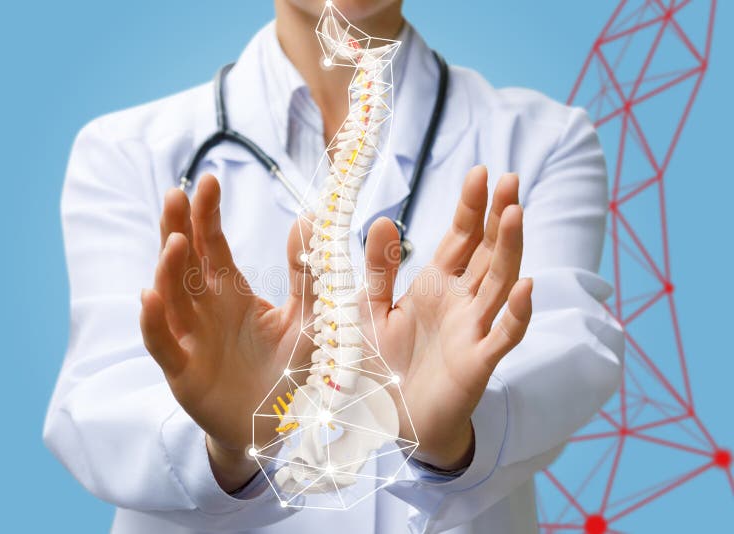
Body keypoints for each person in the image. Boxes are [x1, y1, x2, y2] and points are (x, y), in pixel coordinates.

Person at [43, 1, 624, 532]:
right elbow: (96, 410)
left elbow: (566, 357)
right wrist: (228, 443)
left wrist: (454, 431)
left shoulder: (545, 142)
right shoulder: (124, 153)